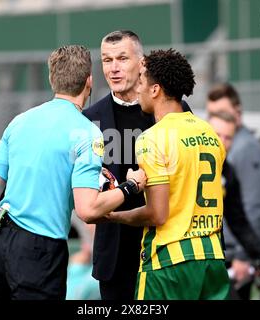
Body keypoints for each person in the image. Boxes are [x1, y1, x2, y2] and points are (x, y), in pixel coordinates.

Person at [0, 45, 146, 300]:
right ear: (89, 80)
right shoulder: (87, 133)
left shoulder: (19, 121)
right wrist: (130, 186)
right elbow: (87, 210)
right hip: (40, 249)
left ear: (51, 79)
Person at [108, 49, 229, 300]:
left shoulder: (151, 138)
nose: (138, 89)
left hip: (169, 263)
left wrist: (115, 215)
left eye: (141, 81)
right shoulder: (209, 133)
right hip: (212, 258)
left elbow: (157, 213)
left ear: (155, 89)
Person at [83, 30, 191, 300]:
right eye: (107, 60)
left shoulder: (173, 112)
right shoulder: (89, 119)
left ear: (142, 63)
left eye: (122, 58)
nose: (114, 68)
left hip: (166, 251)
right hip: (115, 258)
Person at [206, 83, 260, 300]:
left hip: (227, 258)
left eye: (228, 138)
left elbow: (245, 214)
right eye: (217, 135)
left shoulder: (234, 162)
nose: (222, 143)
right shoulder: (197, 161)